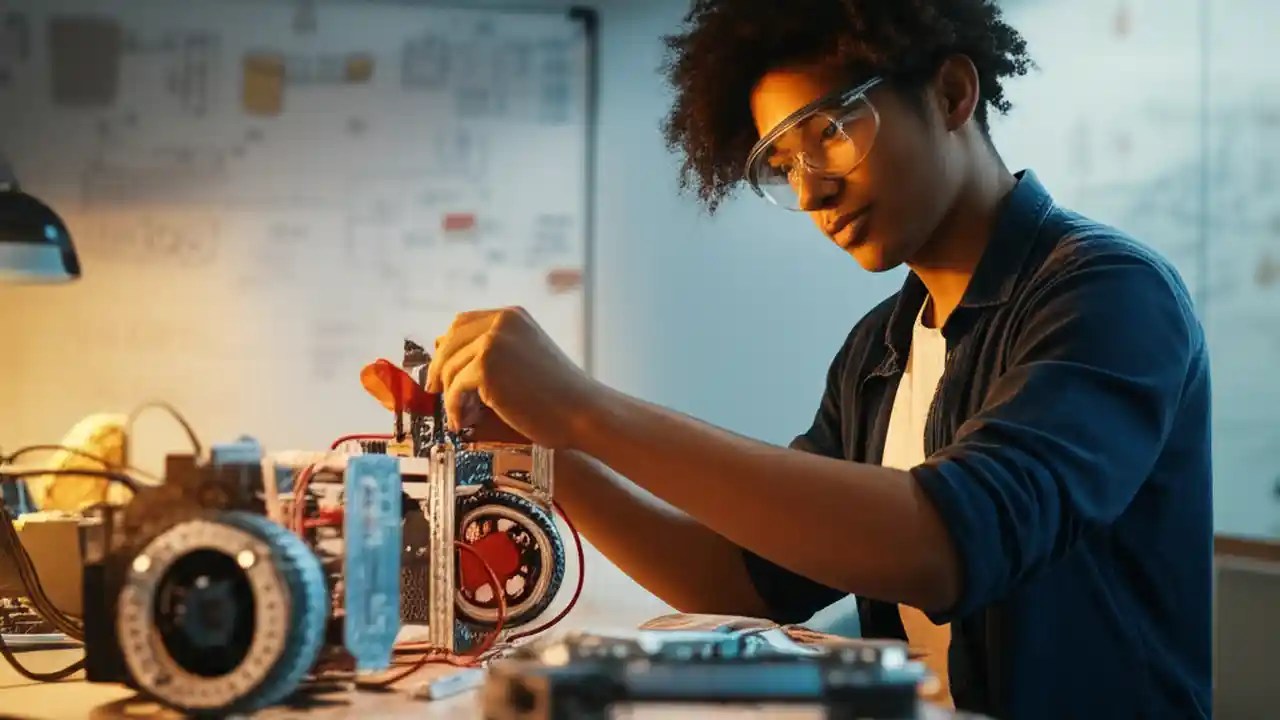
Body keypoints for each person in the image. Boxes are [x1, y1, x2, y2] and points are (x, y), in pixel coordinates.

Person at [426, 1, 1213, 717]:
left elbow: (945, 547)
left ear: (950, 93)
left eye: (830, 131)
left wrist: (584, 408)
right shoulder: (879, 347)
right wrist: (545, 454)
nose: (811, 194)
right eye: (784, 164)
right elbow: (748, 583)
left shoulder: (1109, 294)